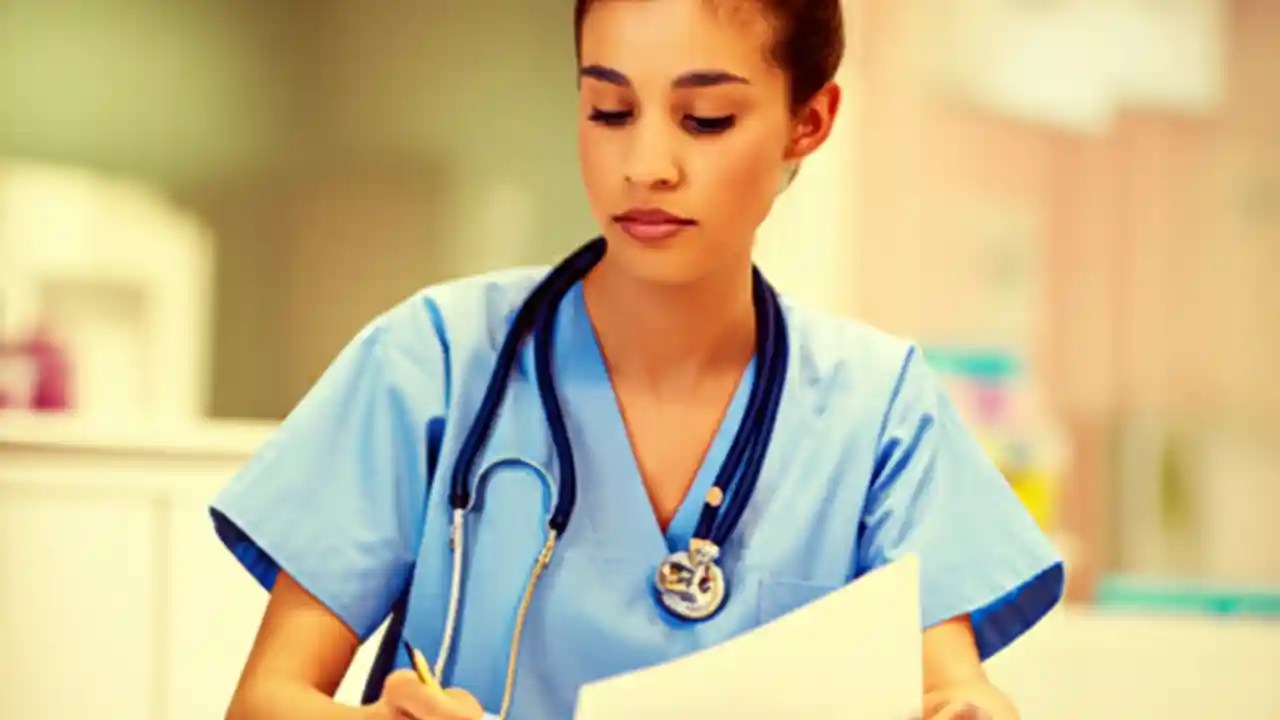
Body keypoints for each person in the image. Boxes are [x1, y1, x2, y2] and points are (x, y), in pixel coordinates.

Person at [212, 1, 1064, 718]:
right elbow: (267, 699)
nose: (645, 167)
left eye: (705, 120)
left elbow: (953, 690)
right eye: (609, 112)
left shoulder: (878, 412)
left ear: (809, 121)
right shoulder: (435, 360)